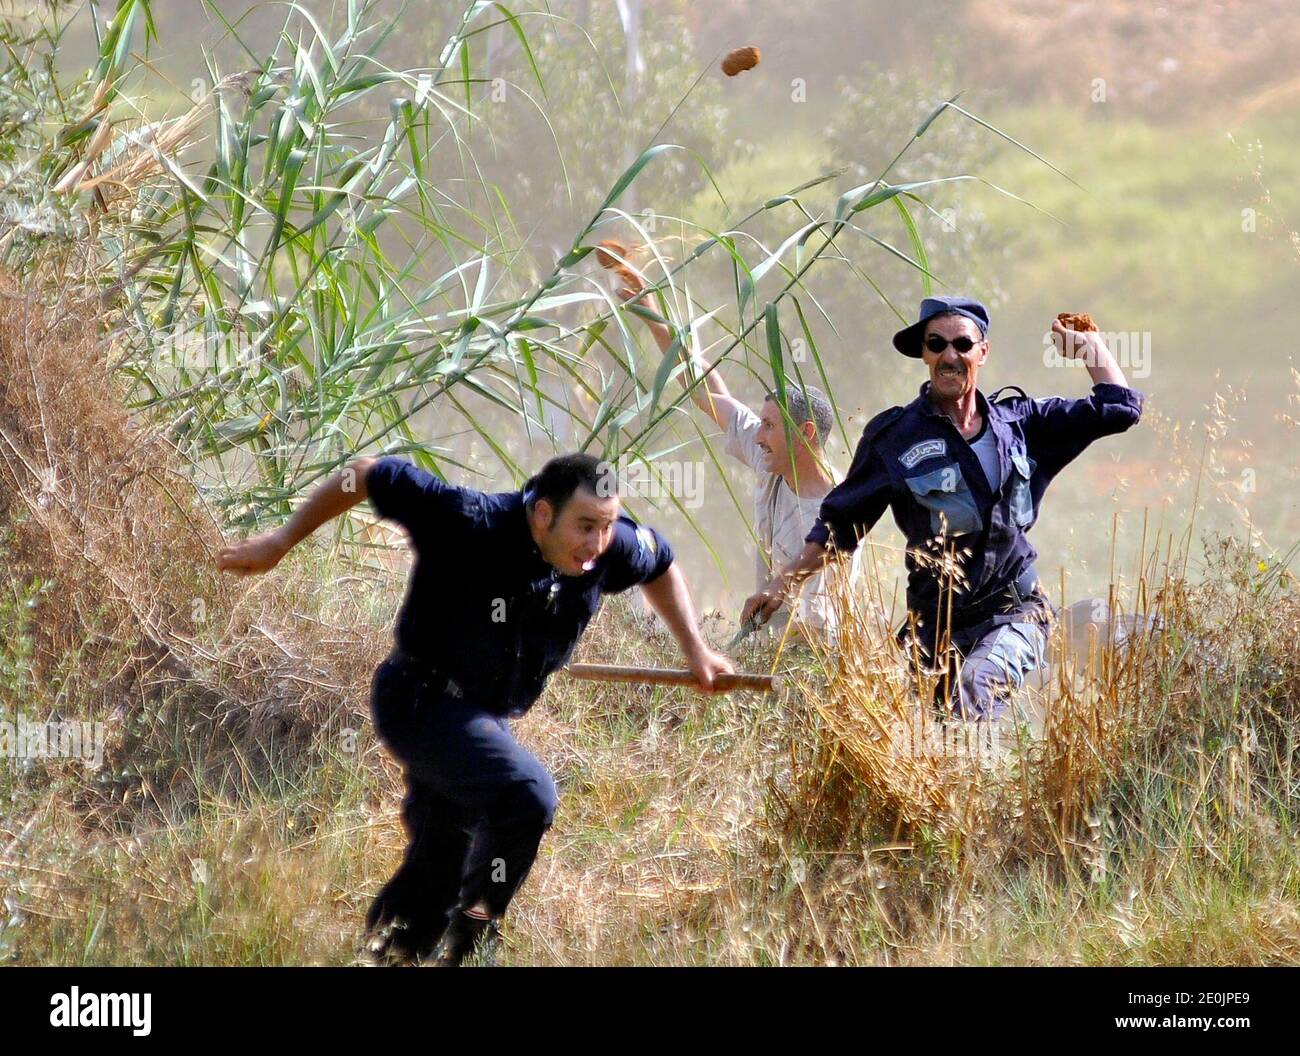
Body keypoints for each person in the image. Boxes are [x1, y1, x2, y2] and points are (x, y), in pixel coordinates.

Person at [218, 452, 733, 965]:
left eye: (607, 526)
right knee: (528, 795)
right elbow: (369, 472)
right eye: (585, 527)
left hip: (481, 720)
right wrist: (280, 541)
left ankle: (388, 954)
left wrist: (696, 651)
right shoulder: (467, 519)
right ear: (542, 515)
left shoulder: (604, 548)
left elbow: (660, 563)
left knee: (438, 871)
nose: (597, 544)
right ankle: (474, 942)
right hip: (420, 700)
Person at [742, 295, 1145, 722]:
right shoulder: (894, 438)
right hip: (933, 630)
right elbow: (840, 525)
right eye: (936, 344)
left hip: (1015, 612)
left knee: (974, 688)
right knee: (935, 735)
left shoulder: (1022, 424)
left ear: (982, 352)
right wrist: (783, 582)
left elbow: (1118, 409)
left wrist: (1090, 347)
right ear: (924, 354)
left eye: (963, 344)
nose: (950, 355)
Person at [618, 276, 845, 638]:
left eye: (769, 426)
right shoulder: (774, 462)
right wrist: (653, 315)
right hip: (767, 644)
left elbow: (814, 626)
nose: (758, 436)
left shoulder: (837, 513)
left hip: (808, 662)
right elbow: (706, 391)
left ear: (805, 434)